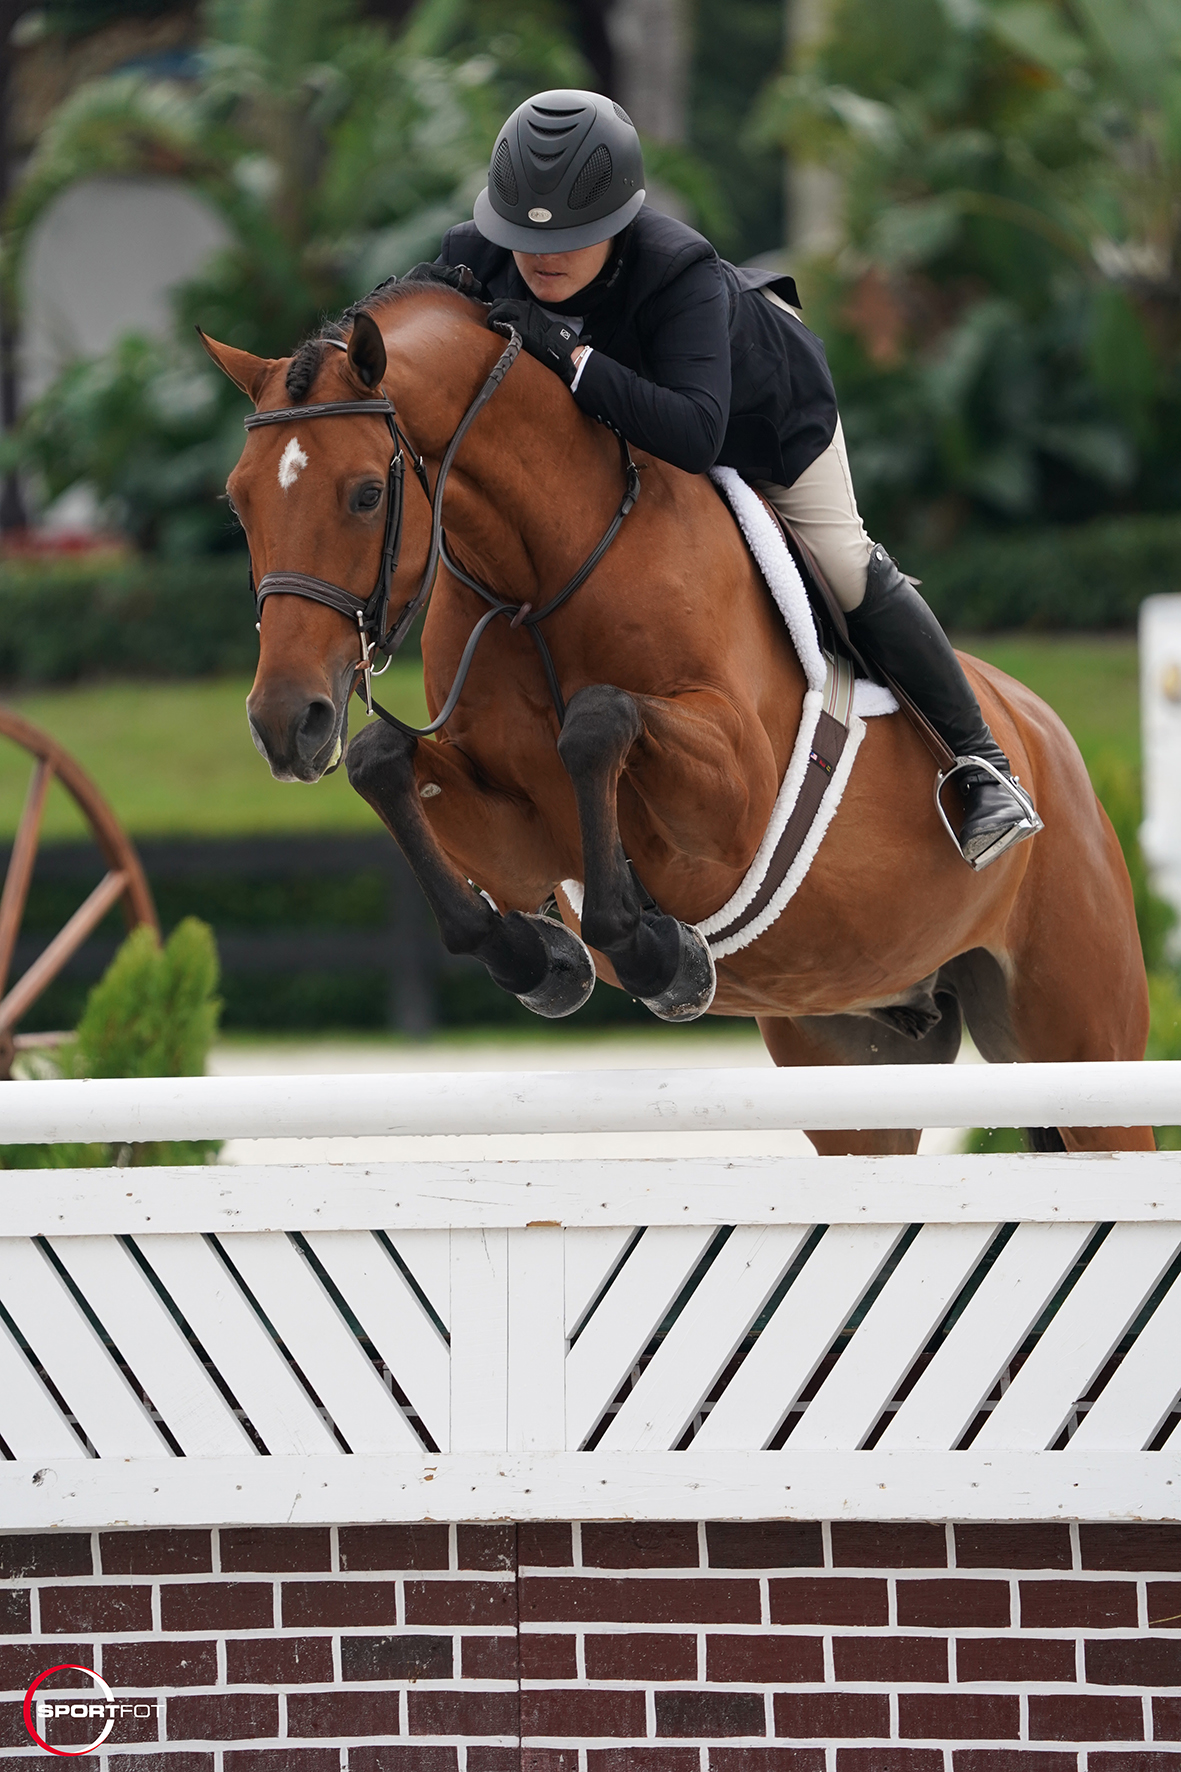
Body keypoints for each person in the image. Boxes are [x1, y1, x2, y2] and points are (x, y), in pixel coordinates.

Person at [429, 89, 1040, 869]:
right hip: (623, 435)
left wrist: (568, 356)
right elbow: (390, 324)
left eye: (571, 238)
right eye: (522, 237)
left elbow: (692, 433)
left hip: (761, 421)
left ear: (617, 224)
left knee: (843, 560)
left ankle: (982, 763)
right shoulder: (476, 253)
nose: (541, 259)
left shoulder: (676, 271)